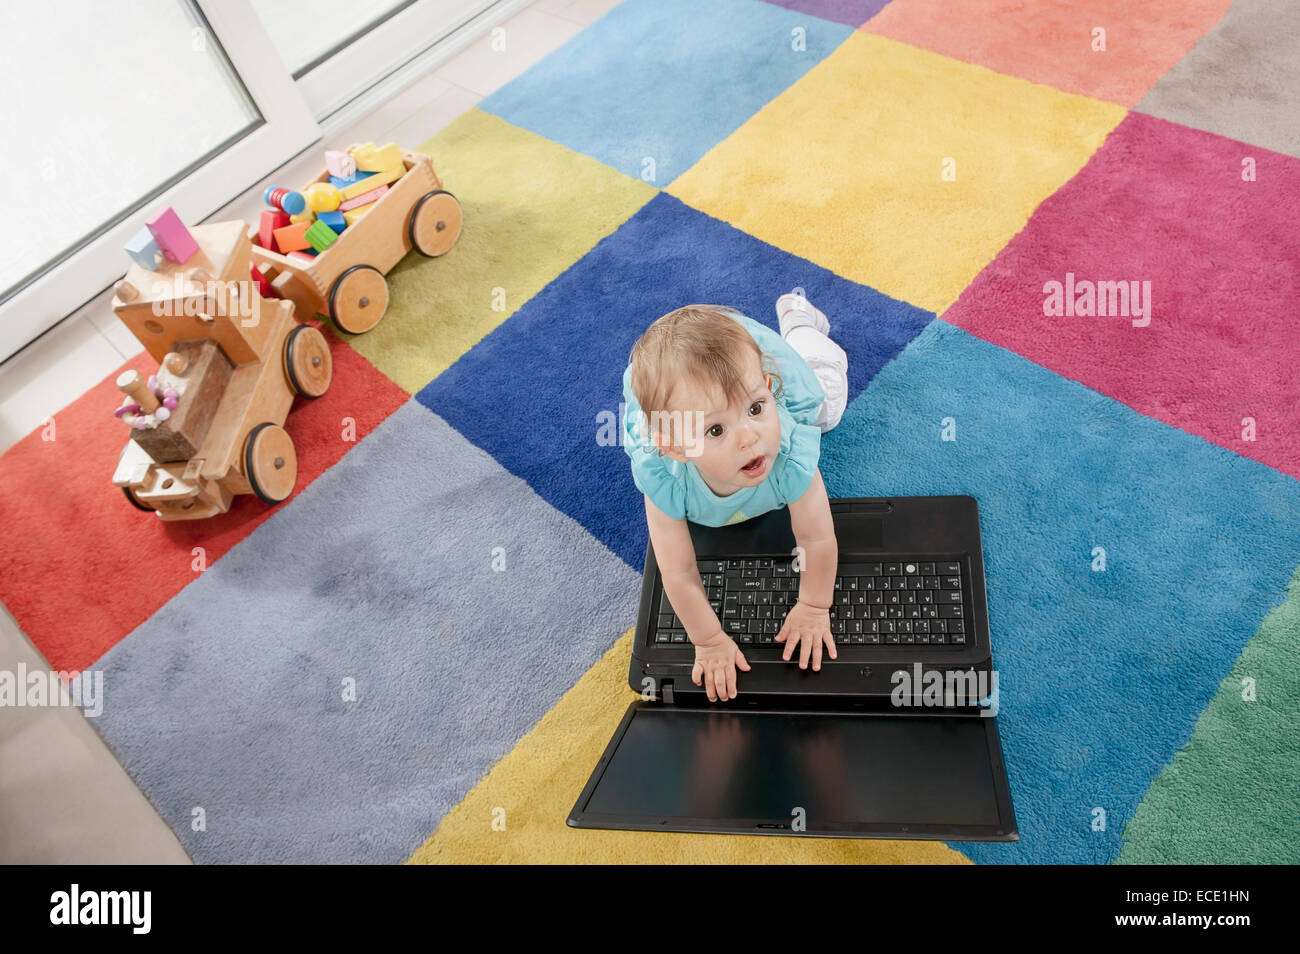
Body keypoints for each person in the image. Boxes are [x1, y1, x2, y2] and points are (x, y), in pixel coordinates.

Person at [622, 294, 850, 701]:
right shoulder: (666, 478)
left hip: (769, 366)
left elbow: (816, 538)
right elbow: (676, 572)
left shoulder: (787, 452)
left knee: (828, 405)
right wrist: (708, 641)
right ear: (676, 448)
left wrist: (815, 608)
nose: (750, 438)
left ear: (768, 390)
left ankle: (799, 324)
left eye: (757, 408)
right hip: (701, 400)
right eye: (715, 431)